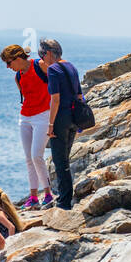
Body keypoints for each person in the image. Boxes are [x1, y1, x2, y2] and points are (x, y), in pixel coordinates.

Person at [0, 44, 54, 209]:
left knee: (37, 155)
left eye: (9, 63)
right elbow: (25, 96)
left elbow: (56, 85)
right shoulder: (18, 76)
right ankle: (33, 197)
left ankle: (48, 194)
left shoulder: (39, 65)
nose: (8, 67)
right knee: (28, 158)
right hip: (25, 118)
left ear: (17, 58)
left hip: (43, 116)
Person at [42, 38, 82, 210]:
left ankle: (64, 202)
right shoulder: (71, 67)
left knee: (60, 162)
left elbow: (55, 99)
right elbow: (79, 95)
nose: (42, 59)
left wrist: (50, 125)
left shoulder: (53, 69)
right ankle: (67, 198)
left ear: (49, 53)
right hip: (74, 117)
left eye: (42, 55)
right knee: (65, 158)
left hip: (61, 118)